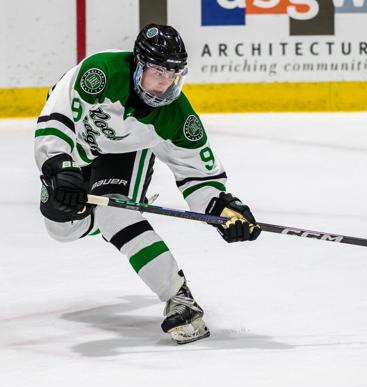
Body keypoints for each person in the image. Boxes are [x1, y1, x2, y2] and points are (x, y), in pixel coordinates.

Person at [34, 24, 260, 344]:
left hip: (124, 156)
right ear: (137, 64)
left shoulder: (176, 117)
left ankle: (179, 298)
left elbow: (199, 175)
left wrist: (222, 208)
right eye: (157, 72)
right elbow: (55, 120)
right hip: (75, 150)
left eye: (173, 74)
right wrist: (58, 166)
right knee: (61, 226)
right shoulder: (99, 73)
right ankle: (100, 211)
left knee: (115, 211)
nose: (164, 83)